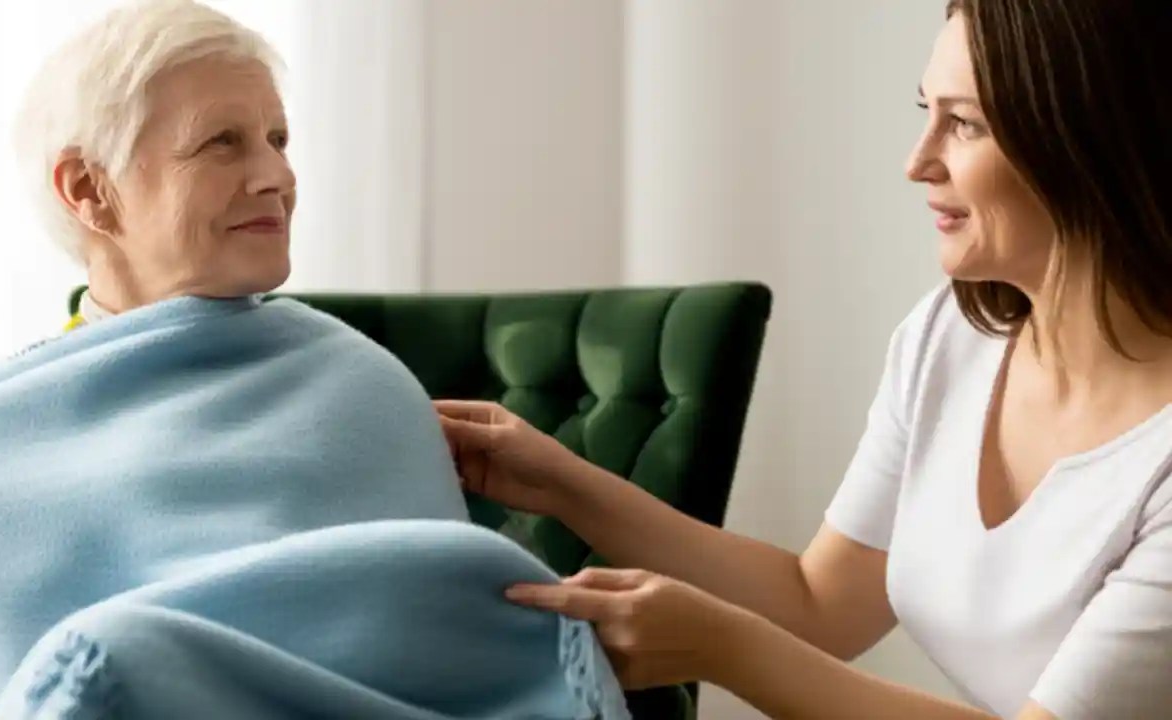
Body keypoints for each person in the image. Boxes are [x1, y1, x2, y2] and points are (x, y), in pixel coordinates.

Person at [0, 1, 628, 718]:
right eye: (223, 142)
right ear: (88, 190)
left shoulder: (361, 388)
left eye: (278, 138)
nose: (277, 175)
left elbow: (437, 642)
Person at [436, 1, 1172, 718]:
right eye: (927, 112)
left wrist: (726, 648)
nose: (919, 162)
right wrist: (558, 480)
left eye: (965, 124)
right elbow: (821, 603)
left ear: (1092, 139)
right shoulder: (950, 339)